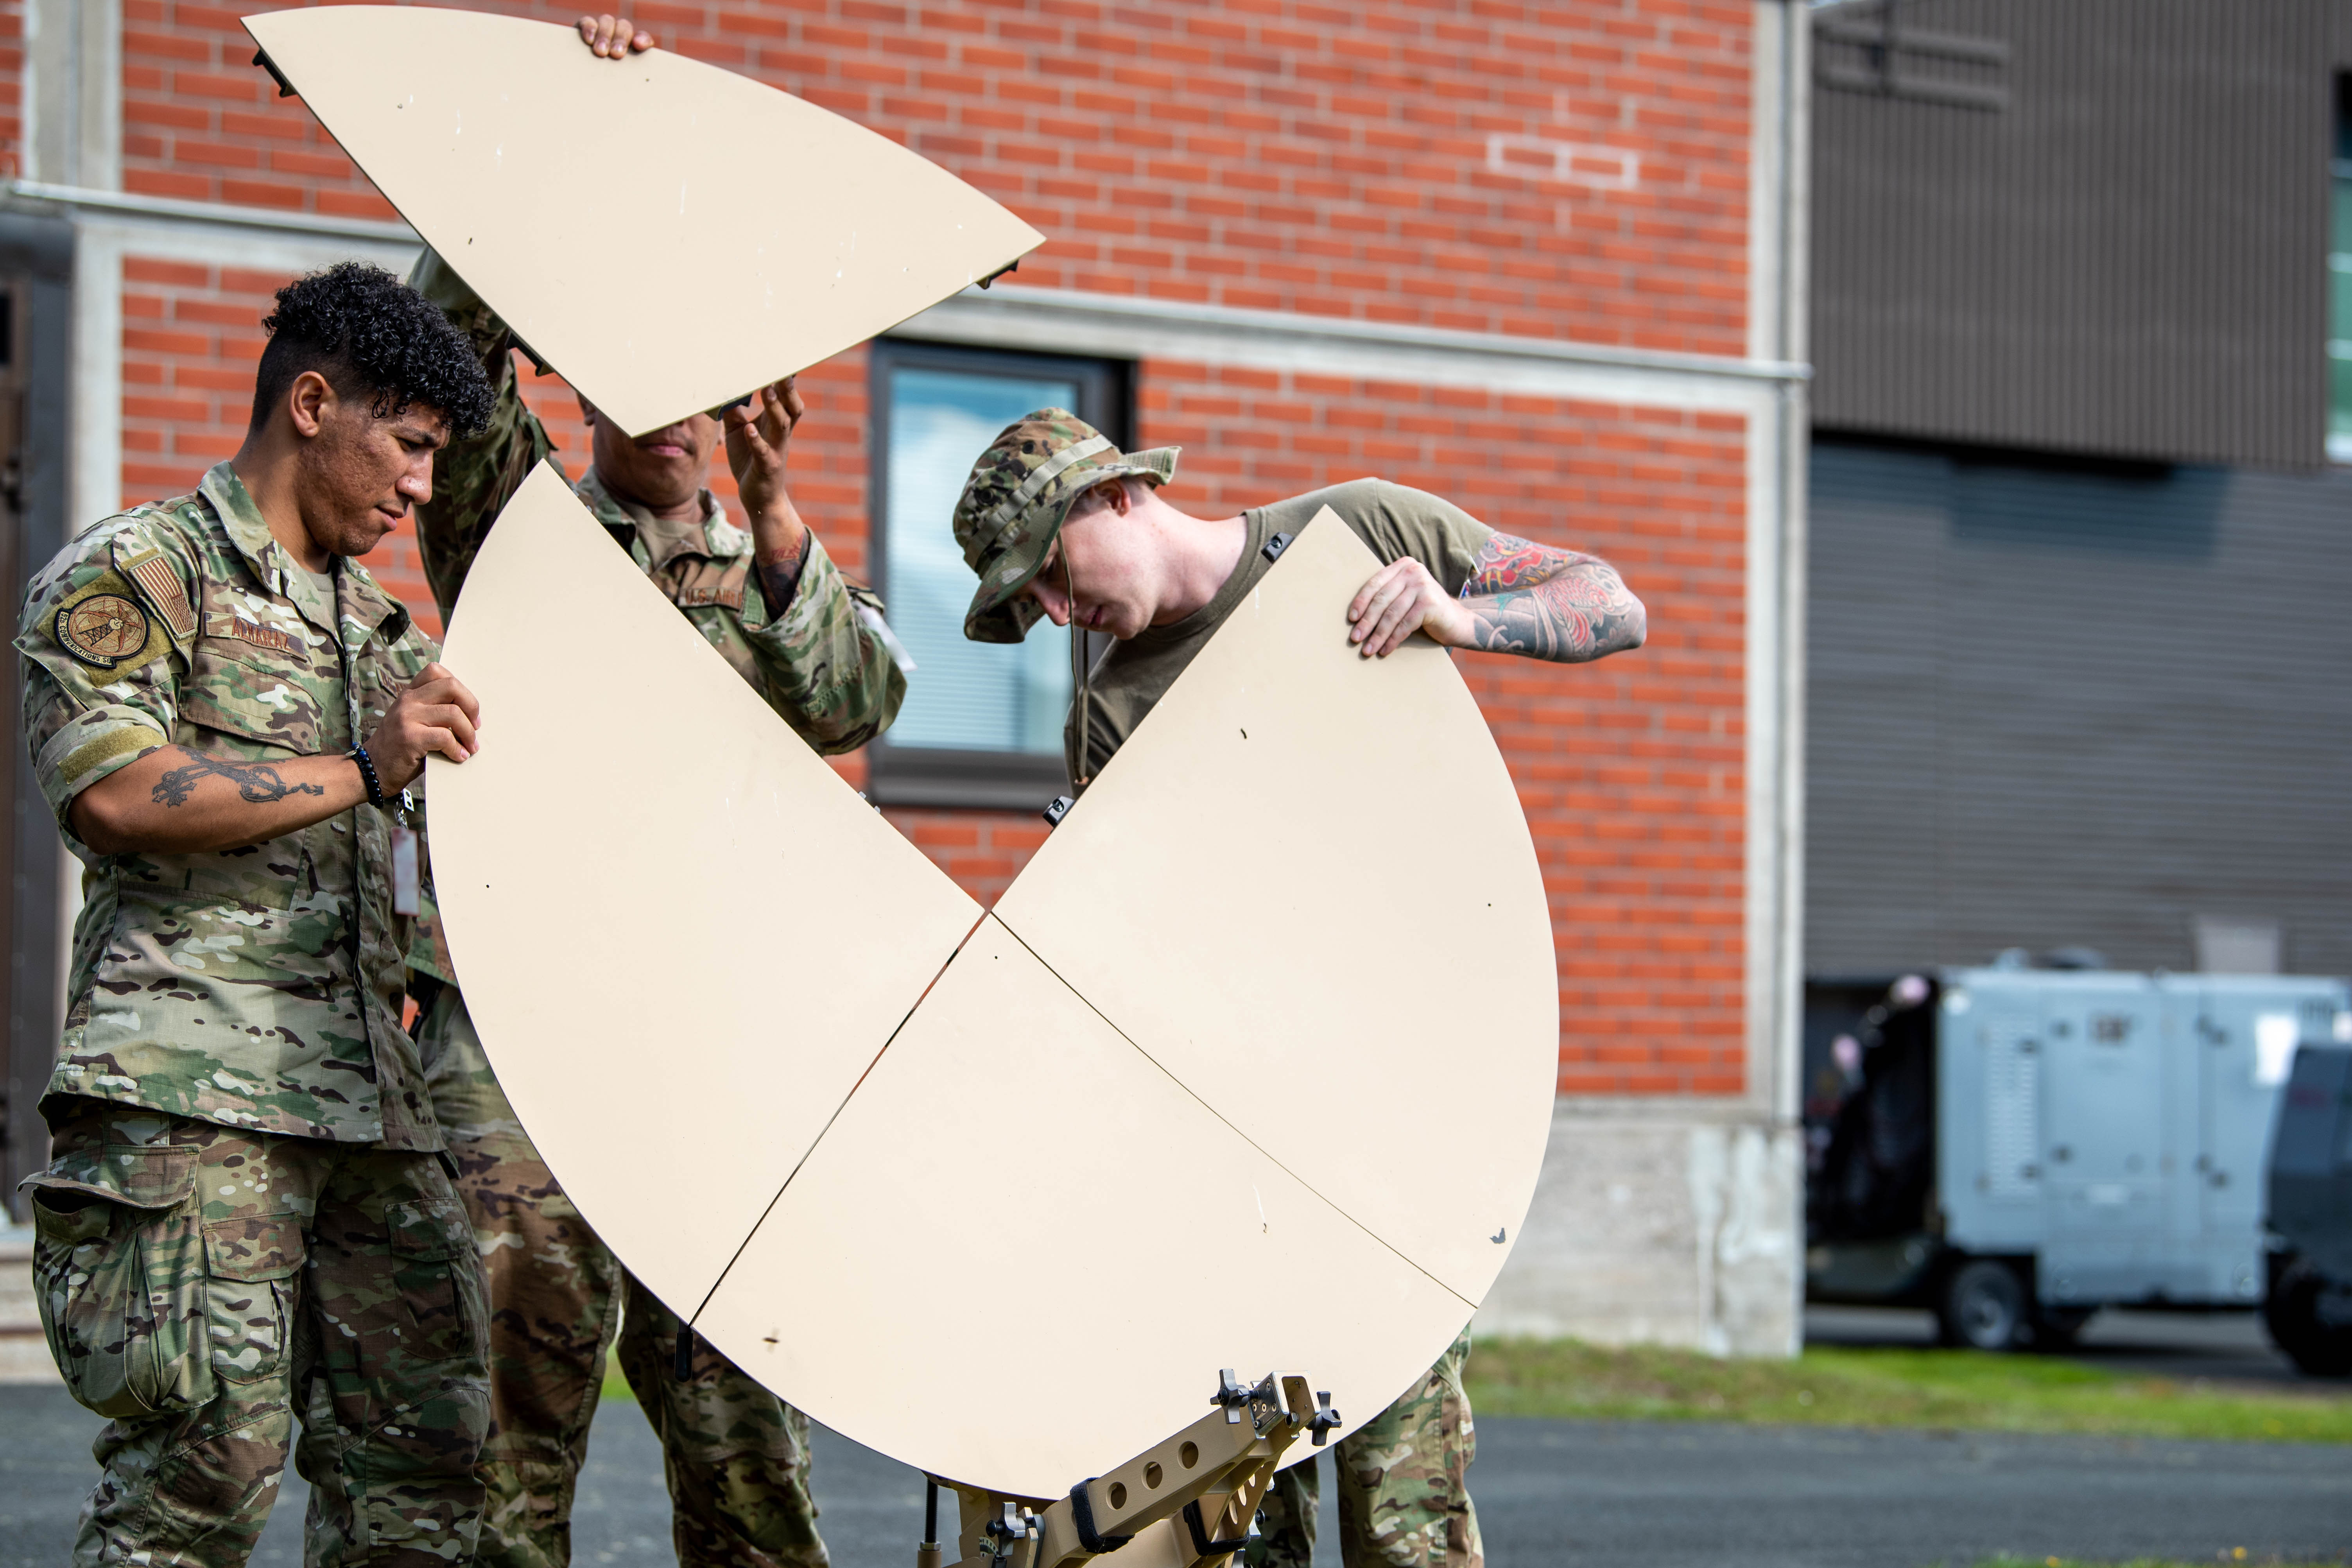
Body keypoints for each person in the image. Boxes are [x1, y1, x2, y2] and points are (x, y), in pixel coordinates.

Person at [368, 20, 906, 1568]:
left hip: (714, 1047)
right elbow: (445, 345)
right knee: (505, 1416)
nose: (669, 415)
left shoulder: (775, 571)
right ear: (581, 385)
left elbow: (853, 700)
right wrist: (553, 125)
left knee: (744, 1423)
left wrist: (784, 512)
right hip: (517, 1021)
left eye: (701, 391)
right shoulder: (516, 529)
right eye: (635, 380)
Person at [950, 411, 1647, 1568]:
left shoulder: (1356, 532)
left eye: (1055, 580)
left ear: (1115, 498)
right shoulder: (1106, 716)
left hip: (1391, 1147)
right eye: (1038, 610)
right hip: (1235, 1164)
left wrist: (1458, 616)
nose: (1062, 619)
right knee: (1244, 1530)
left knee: (1404, 1529)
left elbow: (1612, 601)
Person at [15, 260, 497, 1566]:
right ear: (313, 403)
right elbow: (114, 792)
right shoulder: (139, 570)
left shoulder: (381, 630)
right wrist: (362, 767)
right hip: (193, 1108)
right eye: (406, 446)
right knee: (200, 1489)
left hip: (373, 1117)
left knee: (430, 1473)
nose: (420, 486)